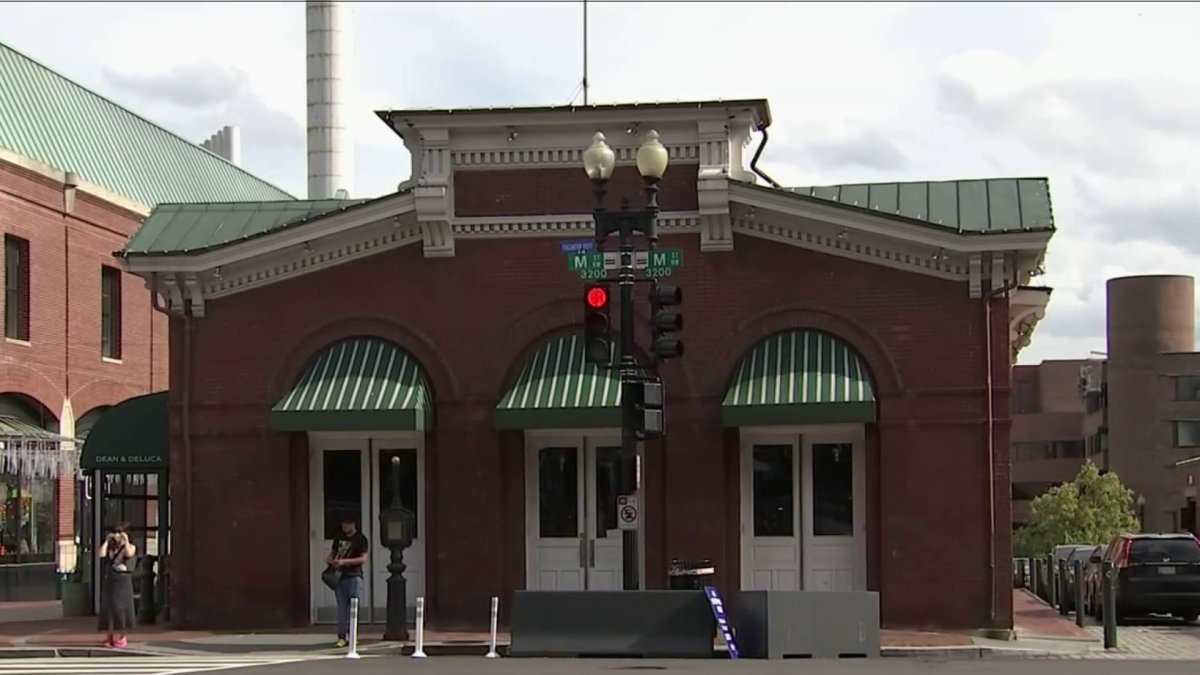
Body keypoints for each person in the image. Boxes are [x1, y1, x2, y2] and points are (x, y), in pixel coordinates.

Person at [327, 516, 368, 648]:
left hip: (354, 576)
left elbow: (363, 558)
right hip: (340, 577)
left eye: (347, 524)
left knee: (353, 608)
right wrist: (330, 560)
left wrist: (345, 562)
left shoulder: (360, 539)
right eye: (344, 524)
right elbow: (332, 553)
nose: (345, 527)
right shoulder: (339, 537)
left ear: (353, 524)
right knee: (341, 609)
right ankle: (342, 637)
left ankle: (353, 636)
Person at [97, 522, 136, 648]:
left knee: (121, 609)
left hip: (123, 580)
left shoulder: (130, 546)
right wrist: (107, 541)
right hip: (111, 579)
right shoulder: (111, 548)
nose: (117, 536)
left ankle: (123, 637)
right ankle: (109, 636)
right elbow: (101, 555)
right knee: (109, 608)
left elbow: (129, 553)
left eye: (119, 533)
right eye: (115, 533)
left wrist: (126, 540)